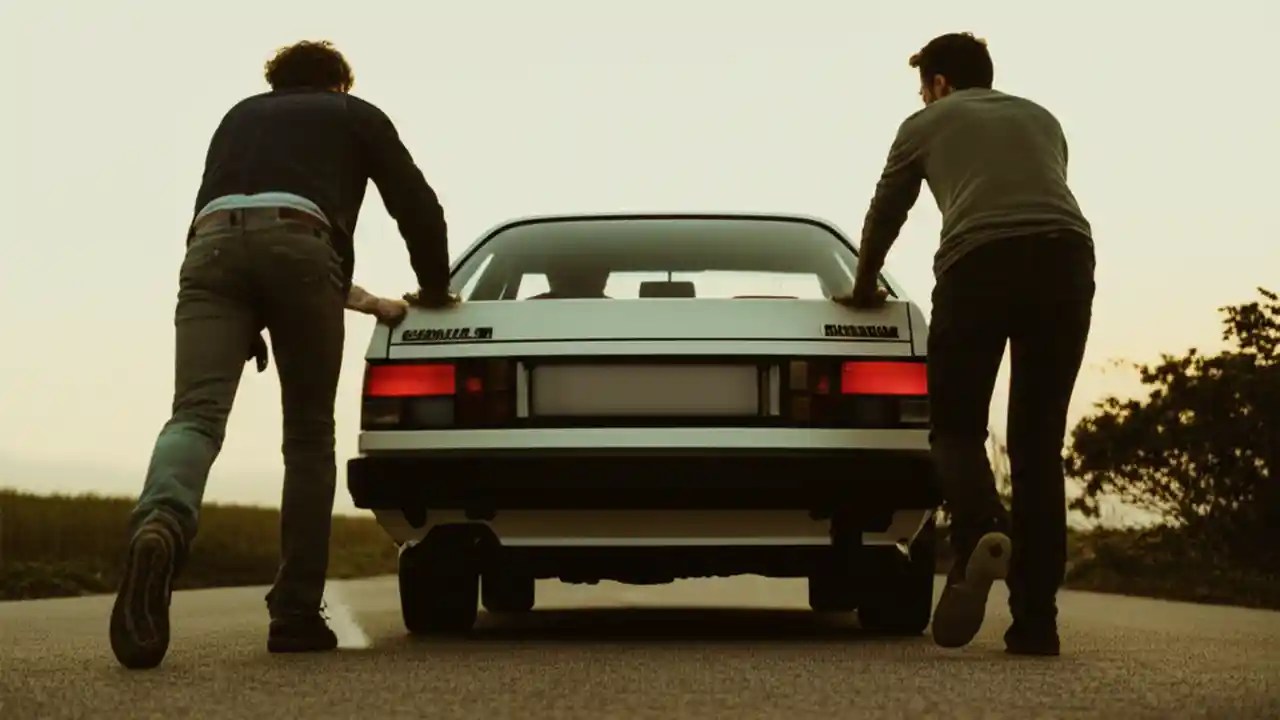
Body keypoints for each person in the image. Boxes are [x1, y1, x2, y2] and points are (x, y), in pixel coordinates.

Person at [109, 39, 459, 670]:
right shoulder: (354, 114)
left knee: (194, 416)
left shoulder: (238, 117)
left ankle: (159, 525)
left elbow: (235, 220)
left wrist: (247, 315)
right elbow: (414, 204)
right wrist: (433, 285)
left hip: (210, 248)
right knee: (306, 436)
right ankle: (295, 613)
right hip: (302, 247)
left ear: (276, 83)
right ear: (339, 84)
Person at [840, 32, 1096, 656]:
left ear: (940, 85)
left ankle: (983, 525)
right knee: (1038, 447)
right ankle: (1036, 623)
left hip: (978, 261)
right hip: (1068, 257)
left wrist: (866, 280)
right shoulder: (1043, 117)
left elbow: (887, 209)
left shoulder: (923, 123)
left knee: (954, 428)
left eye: (923, 87)